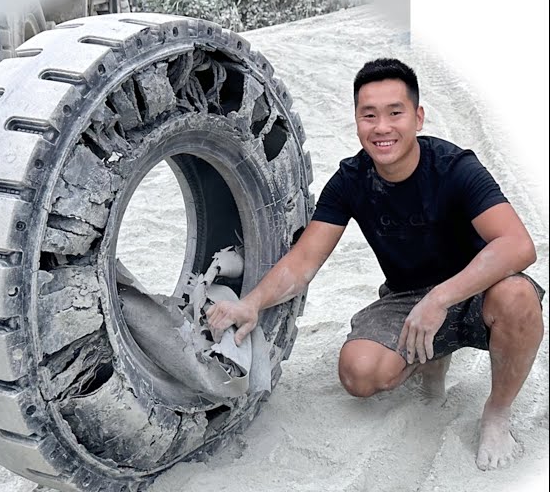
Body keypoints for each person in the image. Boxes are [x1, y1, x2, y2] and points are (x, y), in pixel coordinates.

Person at [208, 57, 543, 472]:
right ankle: (432, 355)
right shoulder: (351, 180)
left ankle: (497, 412)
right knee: (359, 374)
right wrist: (252, 303)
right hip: (406, 297)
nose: (382, 127)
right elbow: (304, 261)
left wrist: (441, 298)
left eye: (395, 113)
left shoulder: (455, 167)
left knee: (518, 297)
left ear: (417, 117)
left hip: (476, 290)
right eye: (369, 115)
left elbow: (518, 245)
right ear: (357, 121)